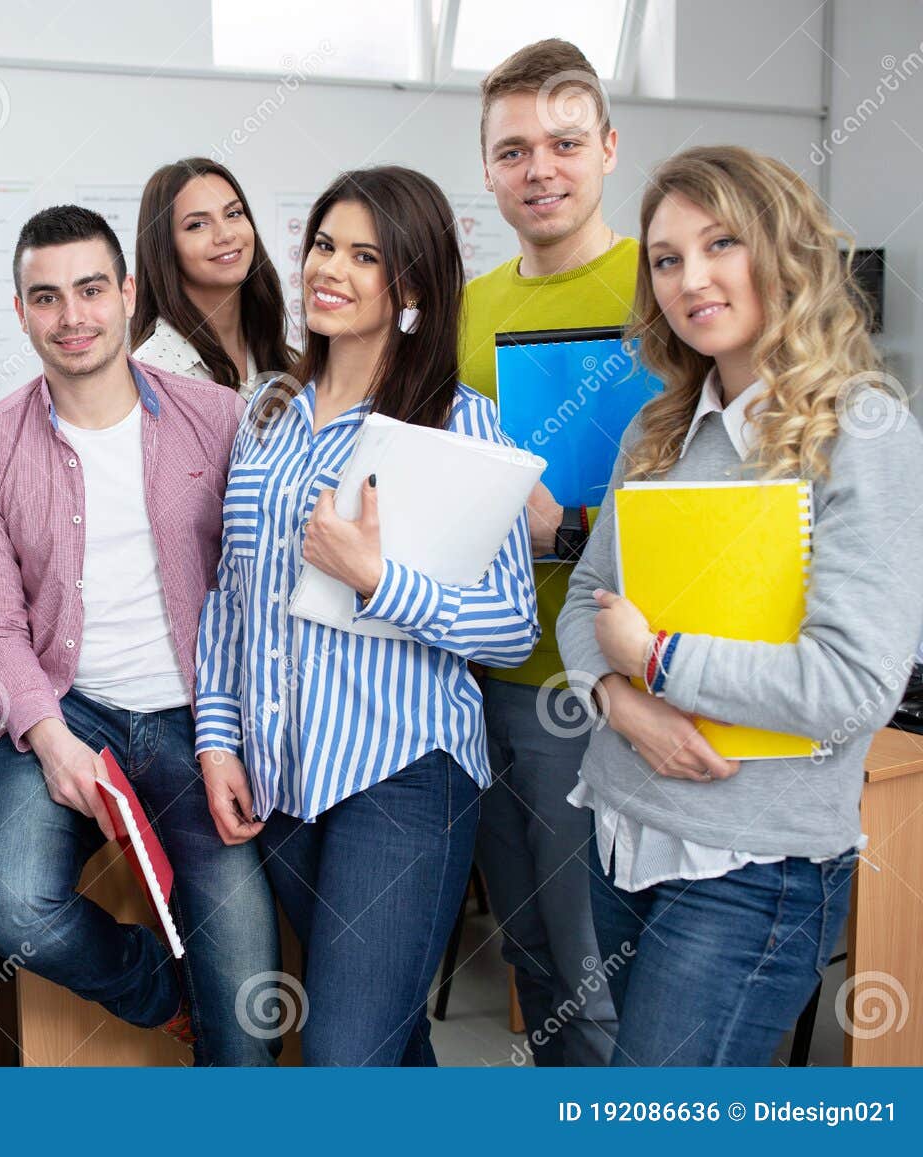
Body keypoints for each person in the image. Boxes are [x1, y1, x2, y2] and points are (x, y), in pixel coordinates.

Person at [558, 145, 923, 1066]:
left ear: (785, 250)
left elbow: (850, 687)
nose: (692, 278)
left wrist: (660, 659)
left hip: (750, 870)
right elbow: (582, 611)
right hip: (622, 831)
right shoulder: (660, 426)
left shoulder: (863, 426)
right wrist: (624, 703)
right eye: (668, 257)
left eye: (722, 242)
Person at [197, 167, 539, 1066]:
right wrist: (218, 738)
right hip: (281, 779)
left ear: (413, 288)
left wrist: (380, 579)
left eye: (364, 256)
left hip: (401, 773)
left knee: (344, 1054)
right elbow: (231, 597)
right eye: (322, 245)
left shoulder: (460, 426)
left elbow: (512, 624)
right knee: (386, 1039)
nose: (329, 270)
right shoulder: (267, 414)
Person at [0, 205, 281, 1066]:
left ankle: (218, 1023)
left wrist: (230, 732)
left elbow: (256, 587)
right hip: (72, 708)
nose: (73, 317)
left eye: (92, 289)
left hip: (198, 722)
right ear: (21, 312)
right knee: (6, 899)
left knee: (247, 1016)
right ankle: (160, 990)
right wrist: (51, 741)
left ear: (129, 294)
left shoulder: (220, 418)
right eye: (47, 298)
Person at [458, 38, 632, 1065]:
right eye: (514, 150)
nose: (540, 169)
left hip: (600, 680)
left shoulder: (664, 292)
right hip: (481, 678)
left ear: (607, 147)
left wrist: (561, 529)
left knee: (592, 964)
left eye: (564, 143)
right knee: (525, 951)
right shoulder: (471, 309)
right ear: (486, 169)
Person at [131, 157, 294, 398]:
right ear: (165, 247)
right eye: (197, 224)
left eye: (233, 213)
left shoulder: (281, 354)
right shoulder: (152, 371)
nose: (225, 234)